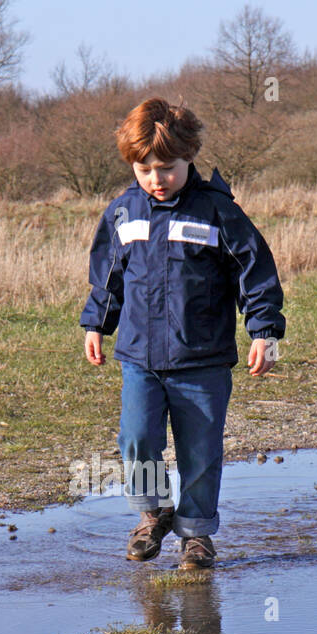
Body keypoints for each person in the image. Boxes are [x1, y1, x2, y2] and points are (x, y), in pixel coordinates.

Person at [80, 97, 285, 569]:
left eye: (167, 167)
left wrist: (265, 332)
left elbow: (255, 275)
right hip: (139, 359)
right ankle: (152, 515)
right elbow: (106, 277)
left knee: (200, 449)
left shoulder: (217, 213)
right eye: (145, 168)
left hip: (203, 361)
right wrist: (96, 323)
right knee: (137, 439)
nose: (156, 178)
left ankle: (195, 536)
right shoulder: (122, 214)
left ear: (189, 156)